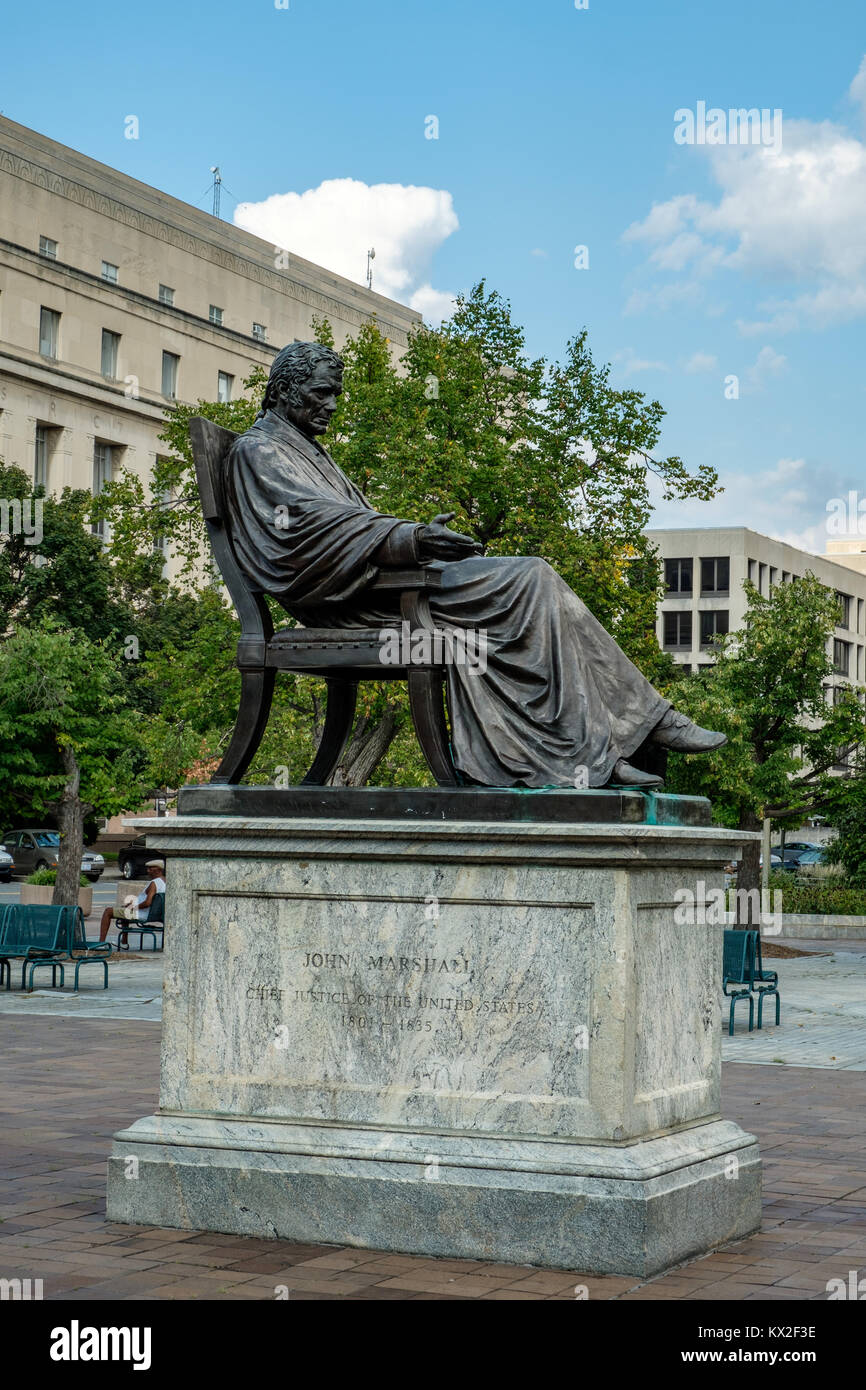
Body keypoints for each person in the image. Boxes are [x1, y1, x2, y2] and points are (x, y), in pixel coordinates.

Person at [224, 342, 726, 790]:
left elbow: (345, 524)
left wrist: (414, 537)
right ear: (286, 389)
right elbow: (305, 533)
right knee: (531, 576)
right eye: (321, 392)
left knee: (536, 590)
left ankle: (606, 745)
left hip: (383, 583)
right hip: (351, 599)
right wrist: (413, 538)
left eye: (336, 393)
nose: (331, 405)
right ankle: (615, 740)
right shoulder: (258, 450)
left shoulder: (307, 452)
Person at [99, 860, 165, 945]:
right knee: (125, 909)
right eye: (148, 868)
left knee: (108, 911)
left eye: (151, 868)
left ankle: (101, 942)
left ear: (159, 869)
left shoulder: (154, 883)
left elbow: (147, 903)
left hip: (142, 914)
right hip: (152, 914)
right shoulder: (165, 881)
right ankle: (124, 940)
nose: (148, 871)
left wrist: (134, 907)